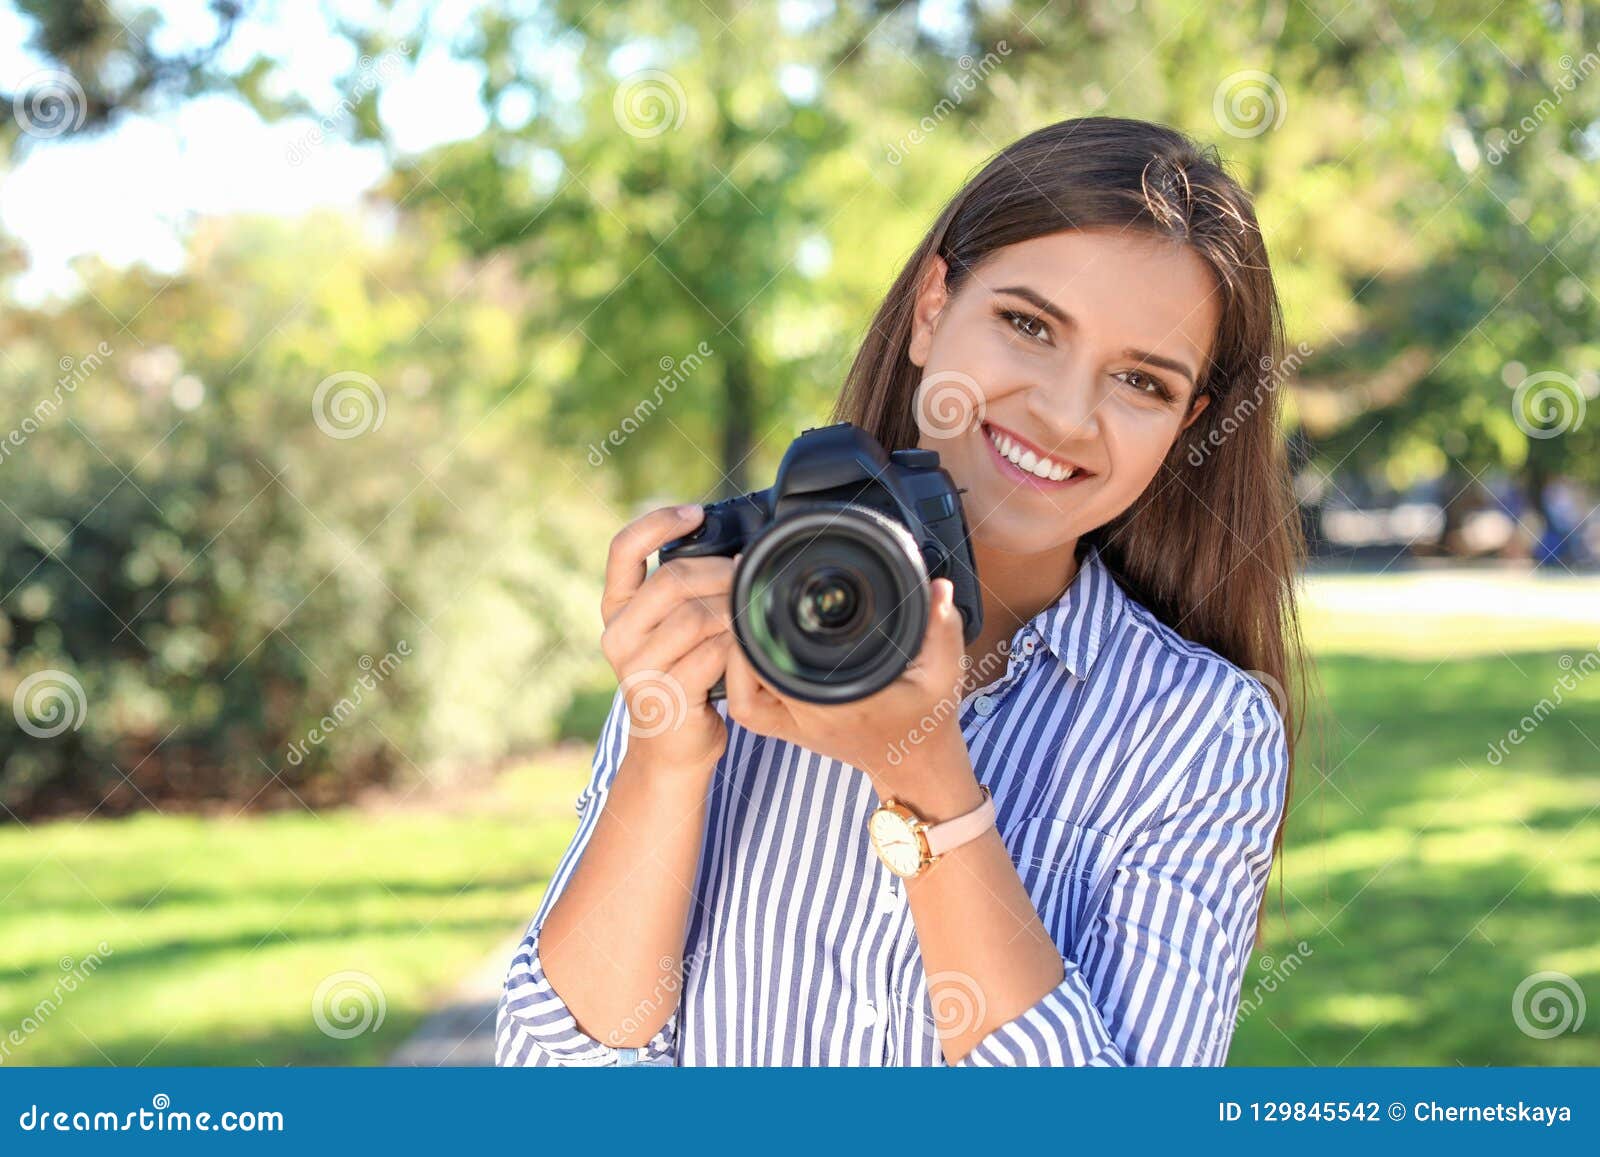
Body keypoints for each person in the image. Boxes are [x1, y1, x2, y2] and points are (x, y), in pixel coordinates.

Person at [497, 116, 1310, 1067]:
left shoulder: (1198, 733)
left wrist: (927, 781)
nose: (1063, 412)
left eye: (1141, 380)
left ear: (1187, 424)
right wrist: (666, 761)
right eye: (1029, 325)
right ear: (933, 307)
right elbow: (556, 1073)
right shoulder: (741, 612)